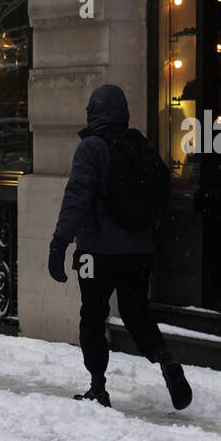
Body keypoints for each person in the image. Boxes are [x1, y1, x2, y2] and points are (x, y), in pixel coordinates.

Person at [48, 83, 192, 410]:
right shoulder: (141, 146)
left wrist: (59, 244)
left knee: (93, 317)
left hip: (94, 254)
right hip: (138, 253)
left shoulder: (91, 148)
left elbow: (76, 200)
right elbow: (159, 197)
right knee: (137, 313)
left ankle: (98, 387)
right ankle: (165, 358)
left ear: (94, 112)